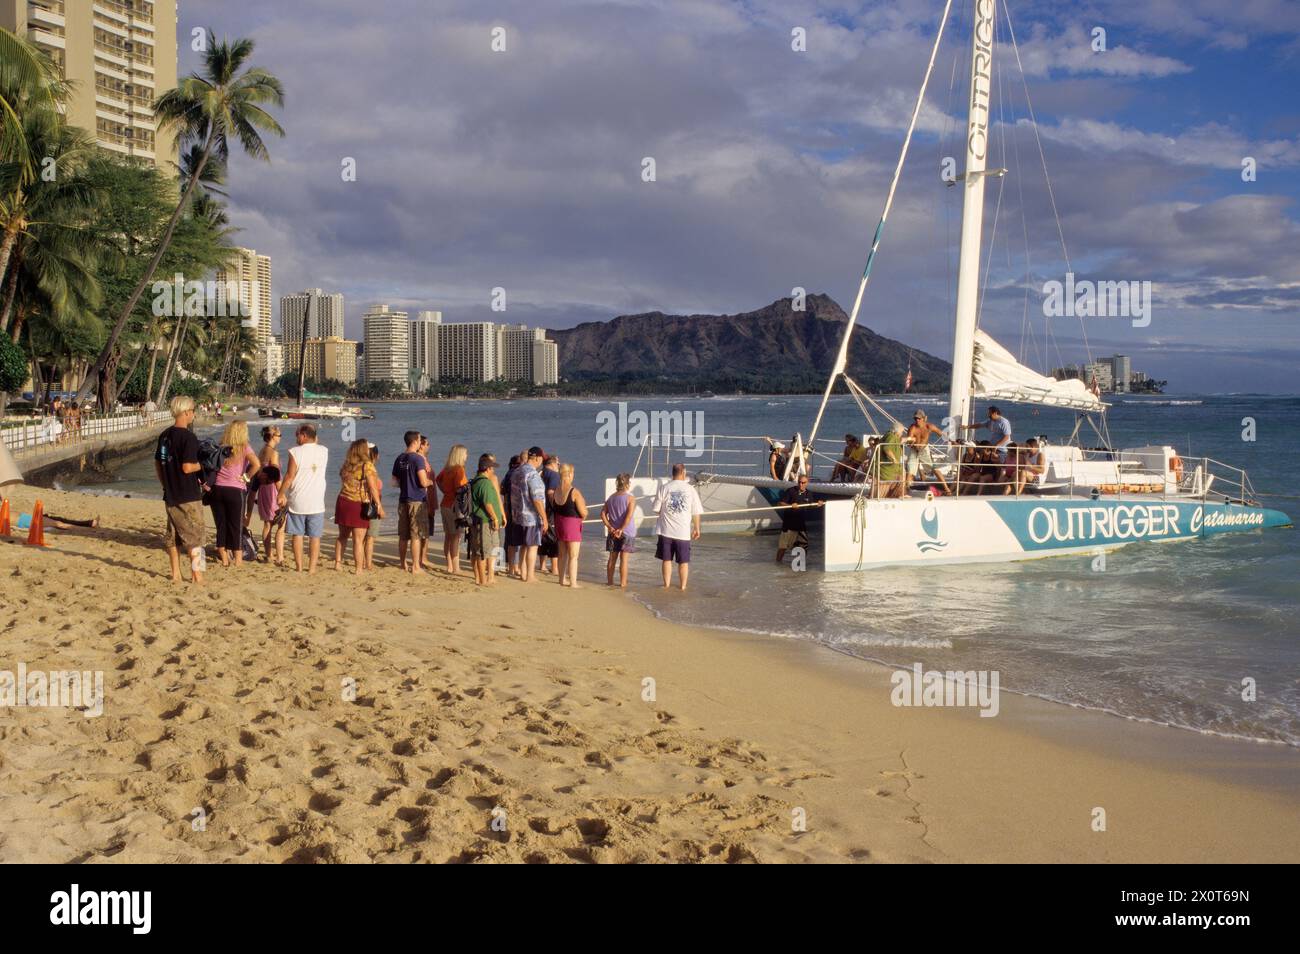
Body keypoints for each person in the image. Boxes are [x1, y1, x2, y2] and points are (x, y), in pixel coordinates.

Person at [153, 395, 205, 585]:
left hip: (171, 493)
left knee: (173, 535)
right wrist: (205, 465)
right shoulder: (189, 437)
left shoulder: (165, 435)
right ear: (185, 412)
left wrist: (165, 484)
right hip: (188, 494)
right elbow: (187, 467)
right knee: (196, 536)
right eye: (192, 411)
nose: (193, 414)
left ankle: (175, 573)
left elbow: (158, 463)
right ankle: (197, 575)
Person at [277, 424, 329, 573]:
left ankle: (299, 567)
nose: (296, 437)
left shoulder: (295, 452)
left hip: (298, 500)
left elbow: (289, 476)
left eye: (297, 434)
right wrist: (313, 436)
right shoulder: (324, 451)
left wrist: (280, 494)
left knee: (298, 535)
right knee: (315, 537)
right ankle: (312, 568)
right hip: (317, 501)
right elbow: (315, 443)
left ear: (304, 435)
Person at [209, 420, 260, 568]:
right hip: (235, 490)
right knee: (236, 525)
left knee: (221, 525)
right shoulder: (244, 447)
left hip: (217, 489)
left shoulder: (220, 446)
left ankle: (225, 559)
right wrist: (246, 477)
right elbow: (257, 464)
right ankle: (238, 560)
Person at [333, 438, 384, 574]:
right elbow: (373, 488)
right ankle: (358, 569)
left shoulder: (347, 464)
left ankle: (338, 563)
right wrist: (379, 506)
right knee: (358, 539)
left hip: (343, 501)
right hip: (358, 503)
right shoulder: (367, 465)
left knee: (342, 536)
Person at [653, 463, 703, 591]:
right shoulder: (690, 489)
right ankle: (682, 587)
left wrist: (666, 513)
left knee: (666, 559)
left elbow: (656, 509)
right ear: (684, 473)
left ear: (673, 473)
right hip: (683, 532)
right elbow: (695, 511)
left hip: (666, 531)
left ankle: (666, 585)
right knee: (683, 562)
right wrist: (697, 528)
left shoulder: (664, 488)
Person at [391, 430, 433, 573]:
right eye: (420, 439)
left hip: (403, 499)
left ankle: (403, 563)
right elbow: (422, 481)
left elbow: (394, 482)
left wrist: (406, 482)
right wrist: (430, 482)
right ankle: (415, 566)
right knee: (416, 535)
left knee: (403, 535)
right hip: (416, 500)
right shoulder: (418, 459)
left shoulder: (400, 458)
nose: (421, 442)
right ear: (415, 441)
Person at [509, 446, 548, 582]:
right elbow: (537, 500)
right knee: (532, 546)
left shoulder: (517, 472)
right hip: (530, 516)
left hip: (518, 515)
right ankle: (529, 575)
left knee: (524, 546)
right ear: (537, 458)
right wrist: (544, 518)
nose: (542, 461)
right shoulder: (532, 474)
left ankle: (523, 572)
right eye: (542, 459)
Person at [468, 453, 505, 586]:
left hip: (478, 520)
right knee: (483, 551)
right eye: (492, 468)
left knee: (480, 550)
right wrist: (495, 518)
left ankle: (480, 578)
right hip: (484, 521)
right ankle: (483, 580)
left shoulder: (476, 480)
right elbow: (488, 504)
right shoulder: (484, 483)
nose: (493, 471)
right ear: (488, 469)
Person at [553, 462, 588, 588]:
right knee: (573, 555)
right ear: (570, 474)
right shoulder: (574, 492)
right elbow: (583, 512)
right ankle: (573, 582)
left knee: (562, 553)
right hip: (571, 523)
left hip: (559, 522)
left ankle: (562, 579)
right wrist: (584, 515)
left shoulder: (556, 490)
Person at [436, 444, 470, 575]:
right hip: (453, 507)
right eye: (466, 454)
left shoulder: (447, 469)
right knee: (456, 537)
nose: (467, 456)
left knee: (448, 536)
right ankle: (455, 567)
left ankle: (449, 565)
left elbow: (438, 480)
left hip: (445, 504)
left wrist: (445, 491)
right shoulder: (459, 470)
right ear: (460, 455)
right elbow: (460, 489)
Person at [254, 426, 285, 564]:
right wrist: (282, 493)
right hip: (272, 489)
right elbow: (276, 476)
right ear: (273, 436)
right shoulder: (273, 453)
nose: (280, 437)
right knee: (281, 523)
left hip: (263, 489)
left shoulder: (262, 451)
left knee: (268, 523)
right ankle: (279, 556)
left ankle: (269, 554)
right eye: (279, 435)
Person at [776, 472, 821, 563]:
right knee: (783, 547)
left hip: (800, 525)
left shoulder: (809, 494)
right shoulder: (791, 491)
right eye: (799, 482)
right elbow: (780, 503)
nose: (801, 484)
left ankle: (800, 565)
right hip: (788, 525)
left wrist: (818, 504)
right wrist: (790, 505)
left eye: (803, 483)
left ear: (807, 483)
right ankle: (777, 564)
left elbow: (811, 505)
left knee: (804, 546)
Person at [601, 473, 637, 588]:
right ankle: (623, 583)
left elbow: (602, 514)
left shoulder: (611, 498)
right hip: (627, 532)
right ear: (627, 484)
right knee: (624, 559)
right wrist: (621, 529)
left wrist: (609, 527)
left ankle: (610, 582)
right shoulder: (630, 498)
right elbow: (628, 516)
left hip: (613, 532)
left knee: (612, 557)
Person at [904, 410, 951, 494]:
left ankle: (947, 489)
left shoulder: (929, 426)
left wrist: (952, 441)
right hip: (914, 450)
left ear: (924, 418)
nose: (917, 420)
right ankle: (906, 491)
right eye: (915, 419)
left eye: (919, 418)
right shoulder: (912, 428)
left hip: (924, 450)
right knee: (910, 471)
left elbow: (941, 433)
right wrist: (911, 442)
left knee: (935, 469)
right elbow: (909, 440)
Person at [539, 455, 562, 574]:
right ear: (553, 463)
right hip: (549, 509)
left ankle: (542, 565)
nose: (559, 467)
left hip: (540, 509)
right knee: (553, 537)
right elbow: (550, 492)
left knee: (543, 535)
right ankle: (555, 568)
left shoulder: (541, 473)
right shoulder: (554, 475)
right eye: (558, 464)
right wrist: (556, 506)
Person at [872, 424, 906, 498]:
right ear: (897, 431)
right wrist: (893, 458)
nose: (902, 434)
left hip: (894, 468)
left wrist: (908, 439)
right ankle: (879, 497)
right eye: (902, 432)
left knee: (901, 476)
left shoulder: (892, 436)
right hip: (886, 468)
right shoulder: (891, 436)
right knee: (885, 483)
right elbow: (886, 448)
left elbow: (898, 442)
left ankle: (898, 494)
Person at [500, 454, 521, 578]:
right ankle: (514, 566)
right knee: (515, 539)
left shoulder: (507, 475)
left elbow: (502, 491)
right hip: (514, 509)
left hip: (507, 508)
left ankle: (509, 565)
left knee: (509, 538)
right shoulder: (515, 474)